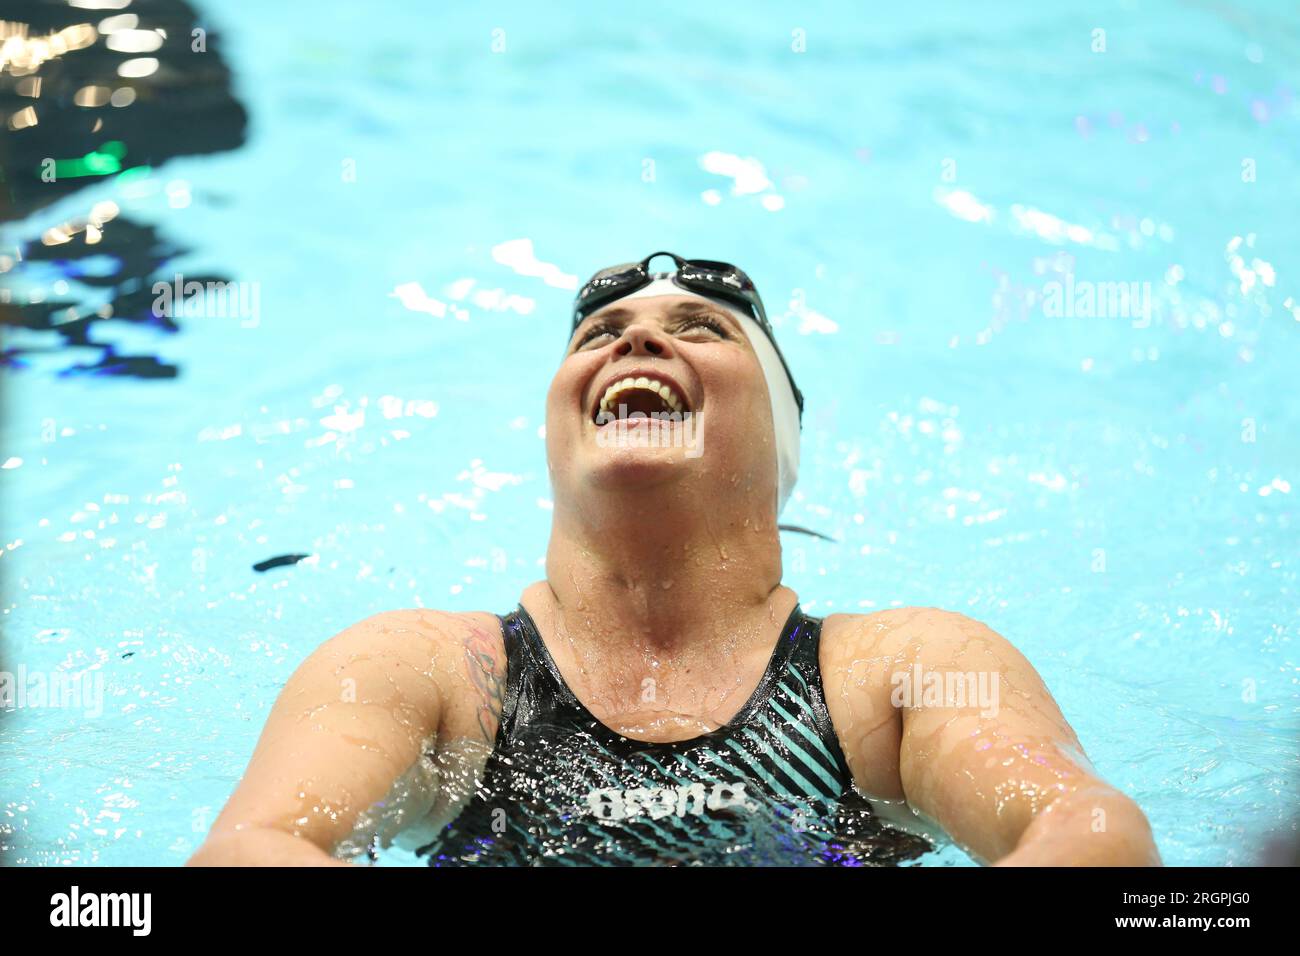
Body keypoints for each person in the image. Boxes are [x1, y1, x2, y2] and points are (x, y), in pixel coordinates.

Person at [188, 252, 1160, 867]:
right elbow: (250, 847)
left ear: (776, 444)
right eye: (600, 334)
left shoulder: (893, 673)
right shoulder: (430, 673)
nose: (640, 334)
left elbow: (1088, 833)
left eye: (701, 328)